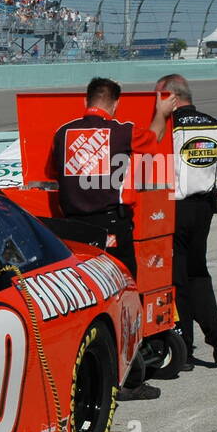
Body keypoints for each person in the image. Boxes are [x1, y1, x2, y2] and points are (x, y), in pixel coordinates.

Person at [48, 77, 175, 401]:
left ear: (87, 100)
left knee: (82, 300)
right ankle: (130, 381)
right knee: (125, 301)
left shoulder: (62, 133)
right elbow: (156, 137)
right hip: (110, 229)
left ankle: (80, 374)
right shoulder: (120, 131)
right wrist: (160, 112)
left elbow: (52, 173)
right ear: (114, 103)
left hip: (72, 230)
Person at [152, 73, 217, 366]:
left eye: (158, 97)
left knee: (177, 277)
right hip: (204, 209)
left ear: (171, 97)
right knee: (198, 272)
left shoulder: (168, 127)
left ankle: (184, 347)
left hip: (172, 209)